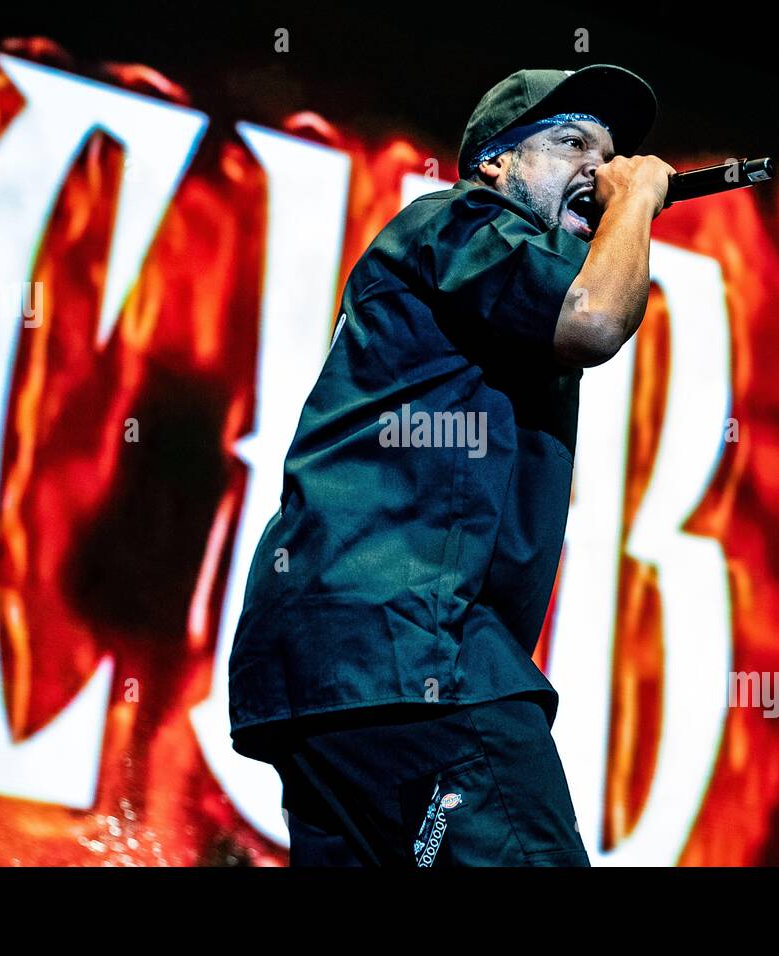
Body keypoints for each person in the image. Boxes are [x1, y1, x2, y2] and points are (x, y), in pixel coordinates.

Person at [227, 64, 675, 866]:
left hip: (336, 674)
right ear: (496, 164)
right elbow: (598, 319)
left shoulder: (500, 287)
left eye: (611, 158)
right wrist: (639, 197)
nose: (600, 173)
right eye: (573, 143)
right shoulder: (462, 219)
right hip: (410, 648)